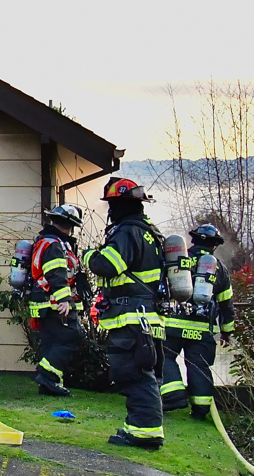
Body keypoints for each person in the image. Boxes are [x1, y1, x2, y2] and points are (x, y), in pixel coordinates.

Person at [83, 178, 166, 450]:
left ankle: (145, 432)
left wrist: (87, 256)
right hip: (146, 317)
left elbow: (107, 265)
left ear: (119, 205)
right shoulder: (149, 233)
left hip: (132, 318)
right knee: (142, 373)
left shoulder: (127, 232)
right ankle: (139, 427)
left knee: (133, 374)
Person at [161, 224, 236, 419]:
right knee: (199, 366)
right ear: (214, 245)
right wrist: (226, 332)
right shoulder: (218, 268)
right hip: (202, 329)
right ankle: (201, 408)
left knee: (165, 357)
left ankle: (173, 396)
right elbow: (226, 304)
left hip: (173, 325)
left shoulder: (178, 259)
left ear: (193, 240)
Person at [29, 204, 85, 396]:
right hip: (54, 301)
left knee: (51, 342)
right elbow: (56, 272)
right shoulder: (54, 244)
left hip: (44, 301)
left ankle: (48, 385)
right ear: (70, 226)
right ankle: (47, 376)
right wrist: (65, 300)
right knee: (71, 337)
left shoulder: (47, 240)